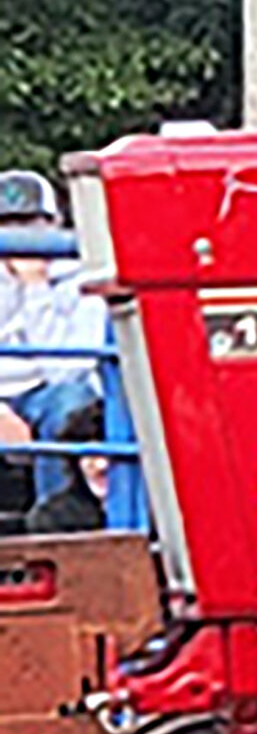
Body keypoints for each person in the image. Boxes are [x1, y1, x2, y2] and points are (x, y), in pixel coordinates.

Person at [0, 169, 109, 503]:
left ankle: (57, 524)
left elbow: (68, 370)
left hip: (46, 394)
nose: (20, 237)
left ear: (55, 224)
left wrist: (36, 288)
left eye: (32, 223)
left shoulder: (82, 280)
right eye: (6, 225)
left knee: (72, 405)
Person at [24, 399, 108, 533]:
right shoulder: (51, 517)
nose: (101, 465)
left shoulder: (151, 508)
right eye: (91, 455)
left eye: (110, 457)